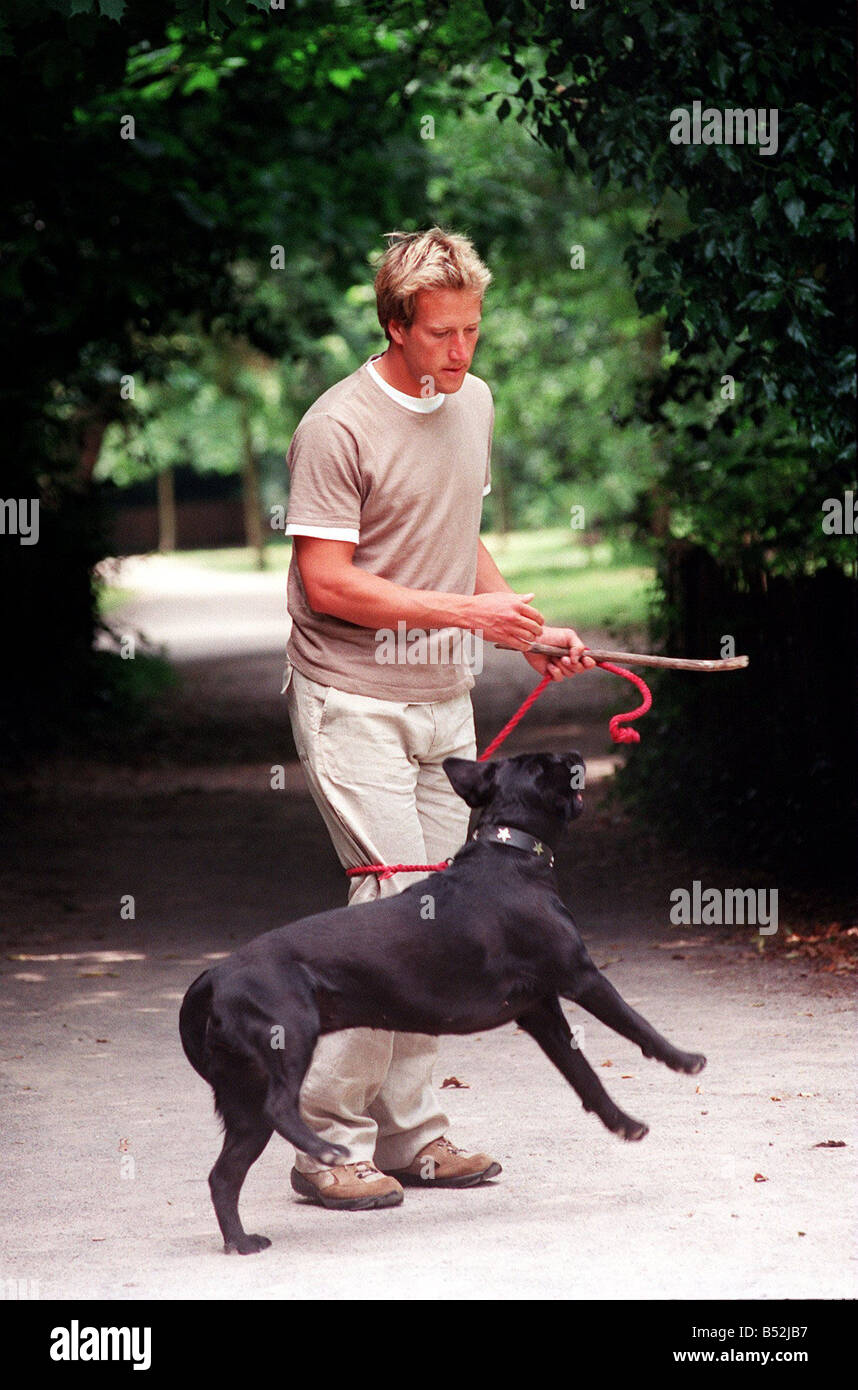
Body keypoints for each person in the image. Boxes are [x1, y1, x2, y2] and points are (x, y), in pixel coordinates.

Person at [282, 227, 594, 1210]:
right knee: (393, 917)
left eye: (472, 331)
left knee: (440, 919)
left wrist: (523, 630)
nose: (461, 354)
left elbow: (457, 536)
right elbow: (327, 583)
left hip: (444, 702)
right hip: (353, 701)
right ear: (394, 324)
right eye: (440, 335)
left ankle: (412, 1135)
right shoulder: (336, 427)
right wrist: (470, 614)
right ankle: (321, 1141)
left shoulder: (476, 402)